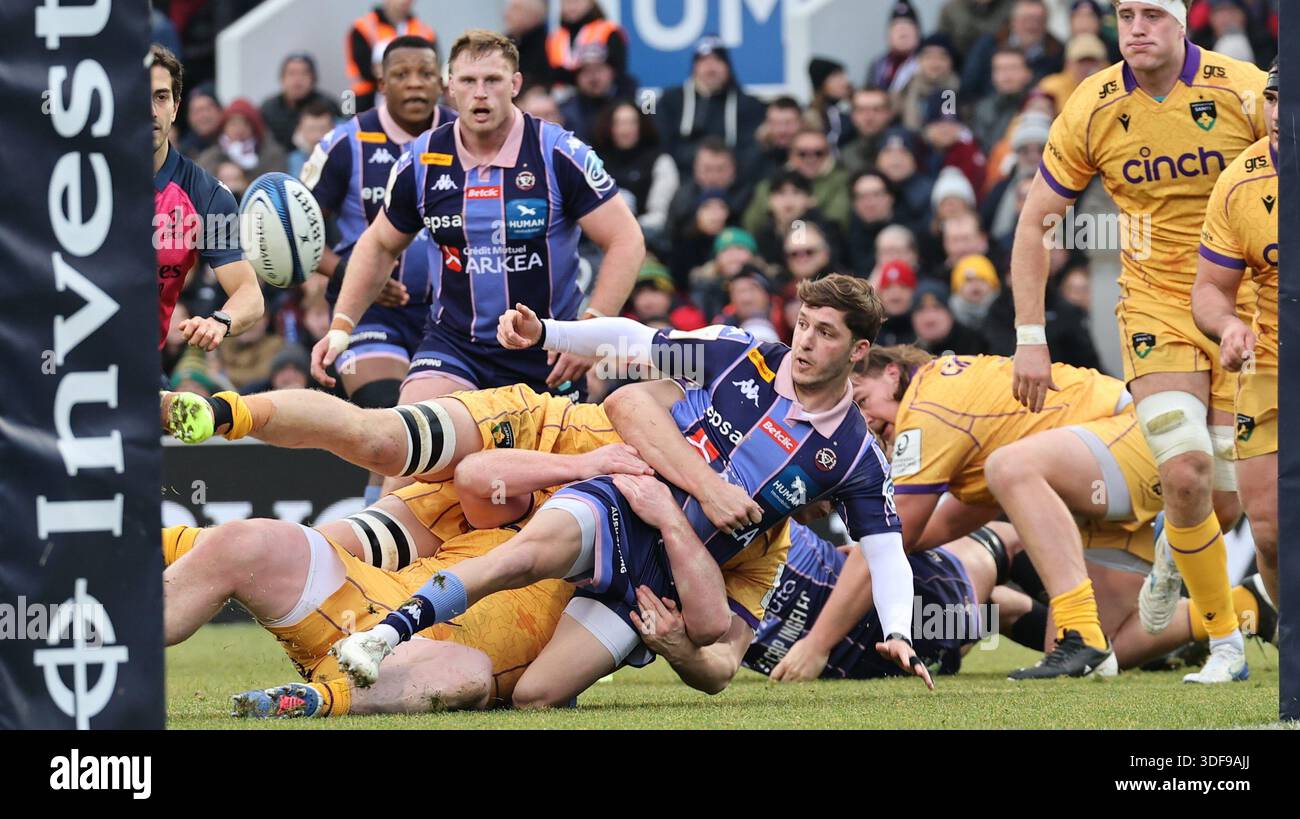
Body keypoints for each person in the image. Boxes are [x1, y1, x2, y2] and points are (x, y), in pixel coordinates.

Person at [328, 274, 930, 698]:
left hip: (663, 583)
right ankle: (384, 636)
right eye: (802, 324)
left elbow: (886, 552)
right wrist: (548, 333)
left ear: (859, 350)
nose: (806, 342)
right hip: (625, 500)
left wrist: (899, 631)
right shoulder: (740, 355)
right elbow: (636, 340)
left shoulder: (855, 457)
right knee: (519, 558)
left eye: (826, 333)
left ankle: (490, 663)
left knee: (538, 696)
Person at [1011, 0, 1268, 683]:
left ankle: (1169, 553)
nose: (1136, 28)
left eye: (1152, 13)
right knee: (1183, 471)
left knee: (1225, 499)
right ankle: (1225, 646)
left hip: (1246, 307)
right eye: (1125, 14)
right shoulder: (1092, 105)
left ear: (1182, 21)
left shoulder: (1242, 90)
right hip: (1156, 306)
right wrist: (1030, 336)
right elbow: (1037, 221)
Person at [314, 30, 643, 496]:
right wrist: (342, 325)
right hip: (456, 347)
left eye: (493, 80)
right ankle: (375, 540)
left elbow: (627, 240)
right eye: (468, 81)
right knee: (403, 461)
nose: (480, 93)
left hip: (546, 354)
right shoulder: (423, 159)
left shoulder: (557, 152)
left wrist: (589, 331)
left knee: (541, 501)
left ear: (516, 84)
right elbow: (379, 244)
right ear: (450, 86)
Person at [300, 36, 455, 504]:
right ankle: (382, 538)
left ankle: (381, 526)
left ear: (442, 82)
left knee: (425, 441)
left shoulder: (464, 137)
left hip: (449, 317)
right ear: (382, 83)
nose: (415, 84)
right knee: (393, 420)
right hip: (370, 315)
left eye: (425, 74)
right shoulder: (345, 143)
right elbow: (296, 234)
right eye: (402, 75)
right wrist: (353, 272)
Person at [1192, 60, 1278, 607]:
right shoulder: (1240, 180)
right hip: (1271, 363)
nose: (1279, 112)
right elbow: (1209, 287)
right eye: (1272, 98)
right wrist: (1226, 326)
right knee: (1268, 530)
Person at [149, 45, 263, 354]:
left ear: (175, 108)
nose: (151, 110)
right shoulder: (79, 179)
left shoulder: (205, 194)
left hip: (142, 364)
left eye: (161, 97)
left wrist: (220, 321)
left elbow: (249, 293)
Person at [656, 36, 766, 175]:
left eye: (717, 60)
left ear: (728, 67)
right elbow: (662, 145)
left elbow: (752, 149)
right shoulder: (671, 101)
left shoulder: (747, 105)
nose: (711, 67)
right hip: (682, 177)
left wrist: (723, 165)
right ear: (694, 67)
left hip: (735, 179)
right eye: (704, 61)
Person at [592, 101, 679, 237]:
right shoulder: (594, 160)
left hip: (645, 235)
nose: (626, 130)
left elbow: (659, 215)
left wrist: (630, 231)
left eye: (632, 123)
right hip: (599, 233)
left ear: (641, 126)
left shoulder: (660, 161)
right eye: (619, 123)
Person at [346, 0, 437, 112]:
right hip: (366, 100)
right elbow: (363, 66)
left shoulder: (424, 31)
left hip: (414, 98)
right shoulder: (363, 27)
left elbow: (433, 66)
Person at [259, 53, 342, 153]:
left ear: (313, 78)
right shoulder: (269, 109)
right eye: (291, 73)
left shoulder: (328, 105)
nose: (298, 79)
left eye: (304, 73)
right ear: (282, 78)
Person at [546, 0, 630, 89]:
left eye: (576, 1)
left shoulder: (608, 31)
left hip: (601, 93)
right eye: (566, 2)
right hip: (560, 95)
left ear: (591, 2)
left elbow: (617, 71)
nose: (571, 6)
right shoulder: (554, 38)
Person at [505, 0, 552, 90]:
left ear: (533, 15)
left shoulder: (547, 45)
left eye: (516, 9)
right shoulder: (504, 43)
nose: (507, 15)